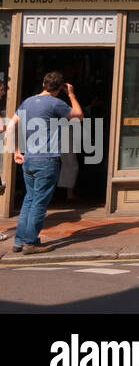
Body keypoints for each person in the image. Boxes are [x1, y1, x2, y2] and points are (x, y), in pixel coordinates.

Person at [9, 72, 84, 254]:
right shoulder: (55, 102)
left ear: (43, 83)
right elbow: (79, 115)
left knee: (29, 200)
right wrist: (72, 94)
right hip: (47, 159)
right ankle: (30, 243)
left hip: (29, 159)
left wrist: (16, 151)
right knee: (39, 203)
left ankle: (19, 241)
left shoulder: (27, 101)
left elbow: (12, 126)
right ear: (59, 89)